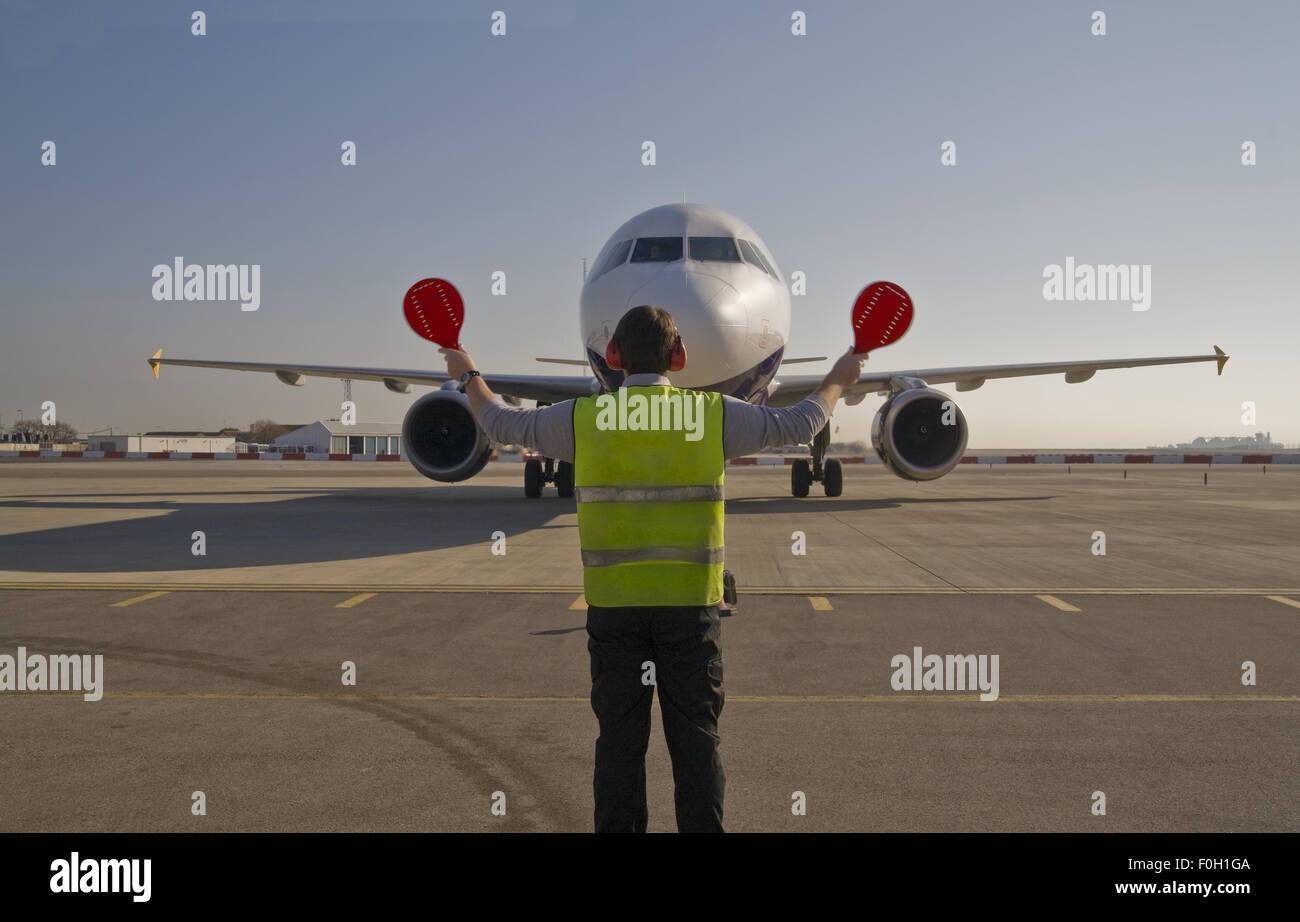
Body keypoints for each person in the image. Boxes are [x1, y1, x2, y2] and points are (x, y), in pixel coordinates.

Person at [441, 305, 864, 832]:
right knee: (697, 746)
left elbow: (500, 422)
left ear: (612, 357)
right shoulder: (711, 415)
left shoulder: (581, 418)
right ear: (680, 357)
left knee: (618, 745)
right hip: (691, 613)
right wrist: (838, 380)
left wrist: (468, 373)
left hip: (615, 615)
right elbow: (799, 423)